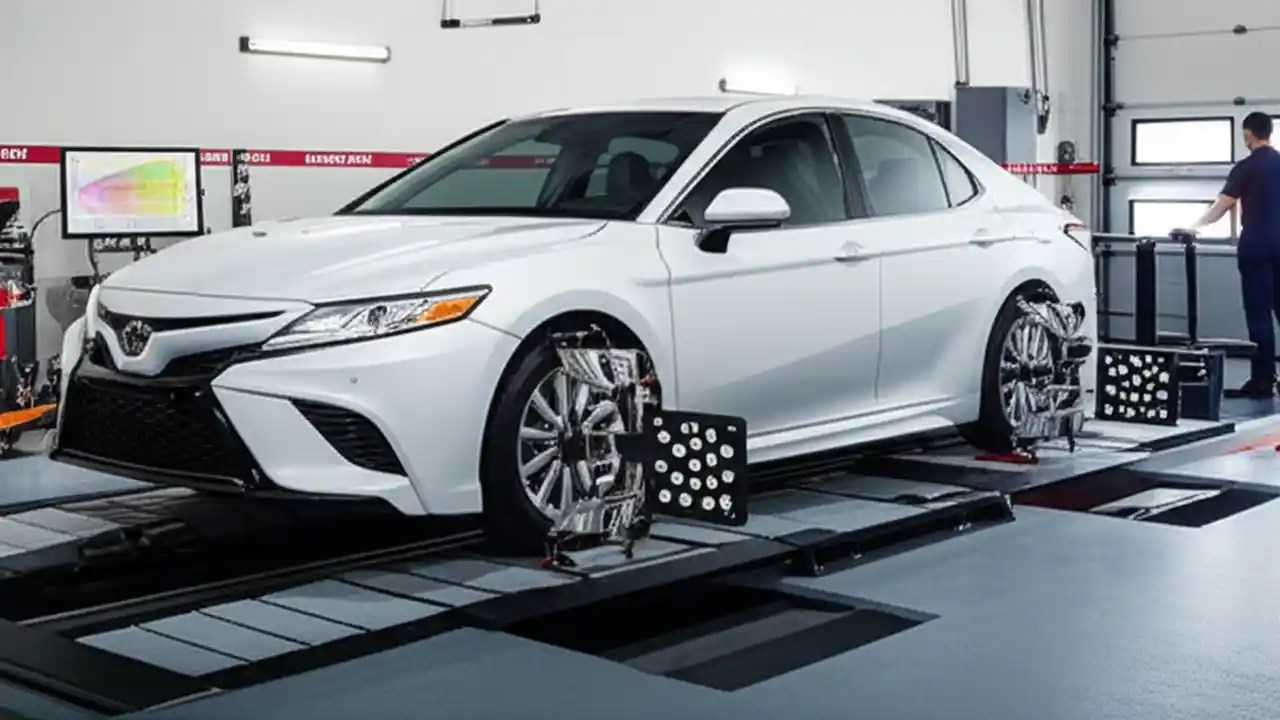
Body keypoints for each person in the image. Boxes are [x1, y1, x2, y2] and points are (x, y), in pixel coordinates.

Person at [1182, 112, 1280, 398]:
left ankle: (1263, 380)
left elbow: (1223, 205)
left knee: (1259, 315)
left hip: (1257, 247)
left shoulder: (1246, 168)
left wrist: (1193, 227)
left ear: (1248, 134)